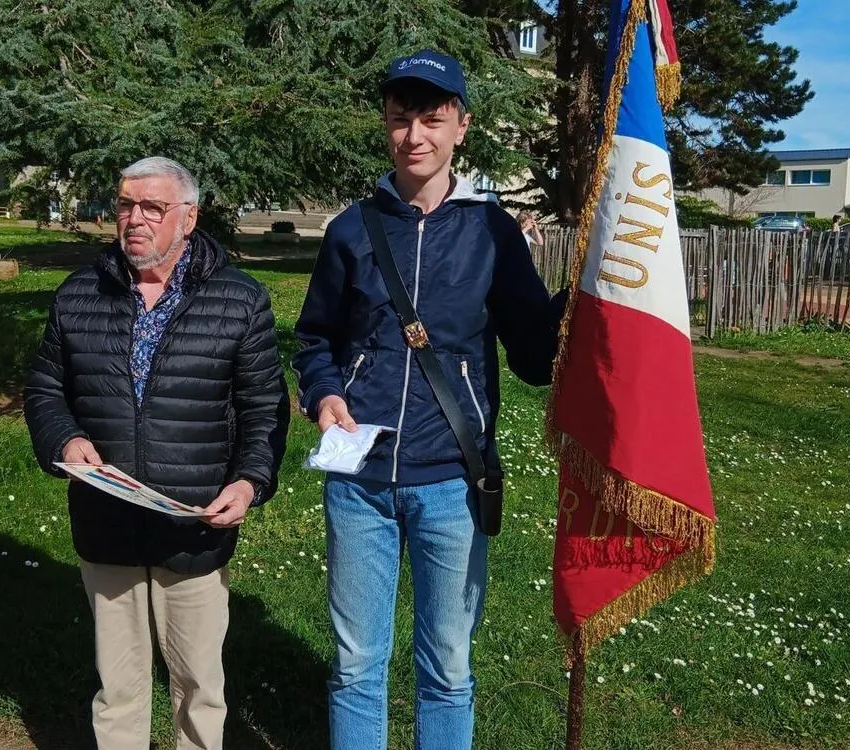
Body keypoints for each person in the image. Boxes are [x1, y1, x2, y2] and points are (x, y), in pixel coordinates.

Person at [292, 50, 566, 750]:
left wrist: (586, 301)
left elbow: (534, 358)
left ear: (461, 127)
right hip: (360, 482)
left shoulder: (492, 234)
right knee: (356, 665)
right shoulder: (351, 231)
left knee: (447, 664)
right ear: (385, 126)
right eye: (400, 118)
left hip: (452, 479)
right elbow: (315, 339)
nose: (415, 134)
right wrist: (324, 397)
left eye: (432, 119)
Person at [24, 156, 289, 750]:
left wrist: (248, 483)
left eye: (153, 208)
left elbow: (263, 407)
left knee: (199, 683)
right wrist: (65, 439)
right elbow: (44, 388)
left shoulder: (238, 299)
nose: (134, 219)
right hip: (106, 521)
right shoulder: (80, 294)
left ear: (188, 218)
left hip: (192, 523)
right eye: (125, 205)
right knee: (117, 687)